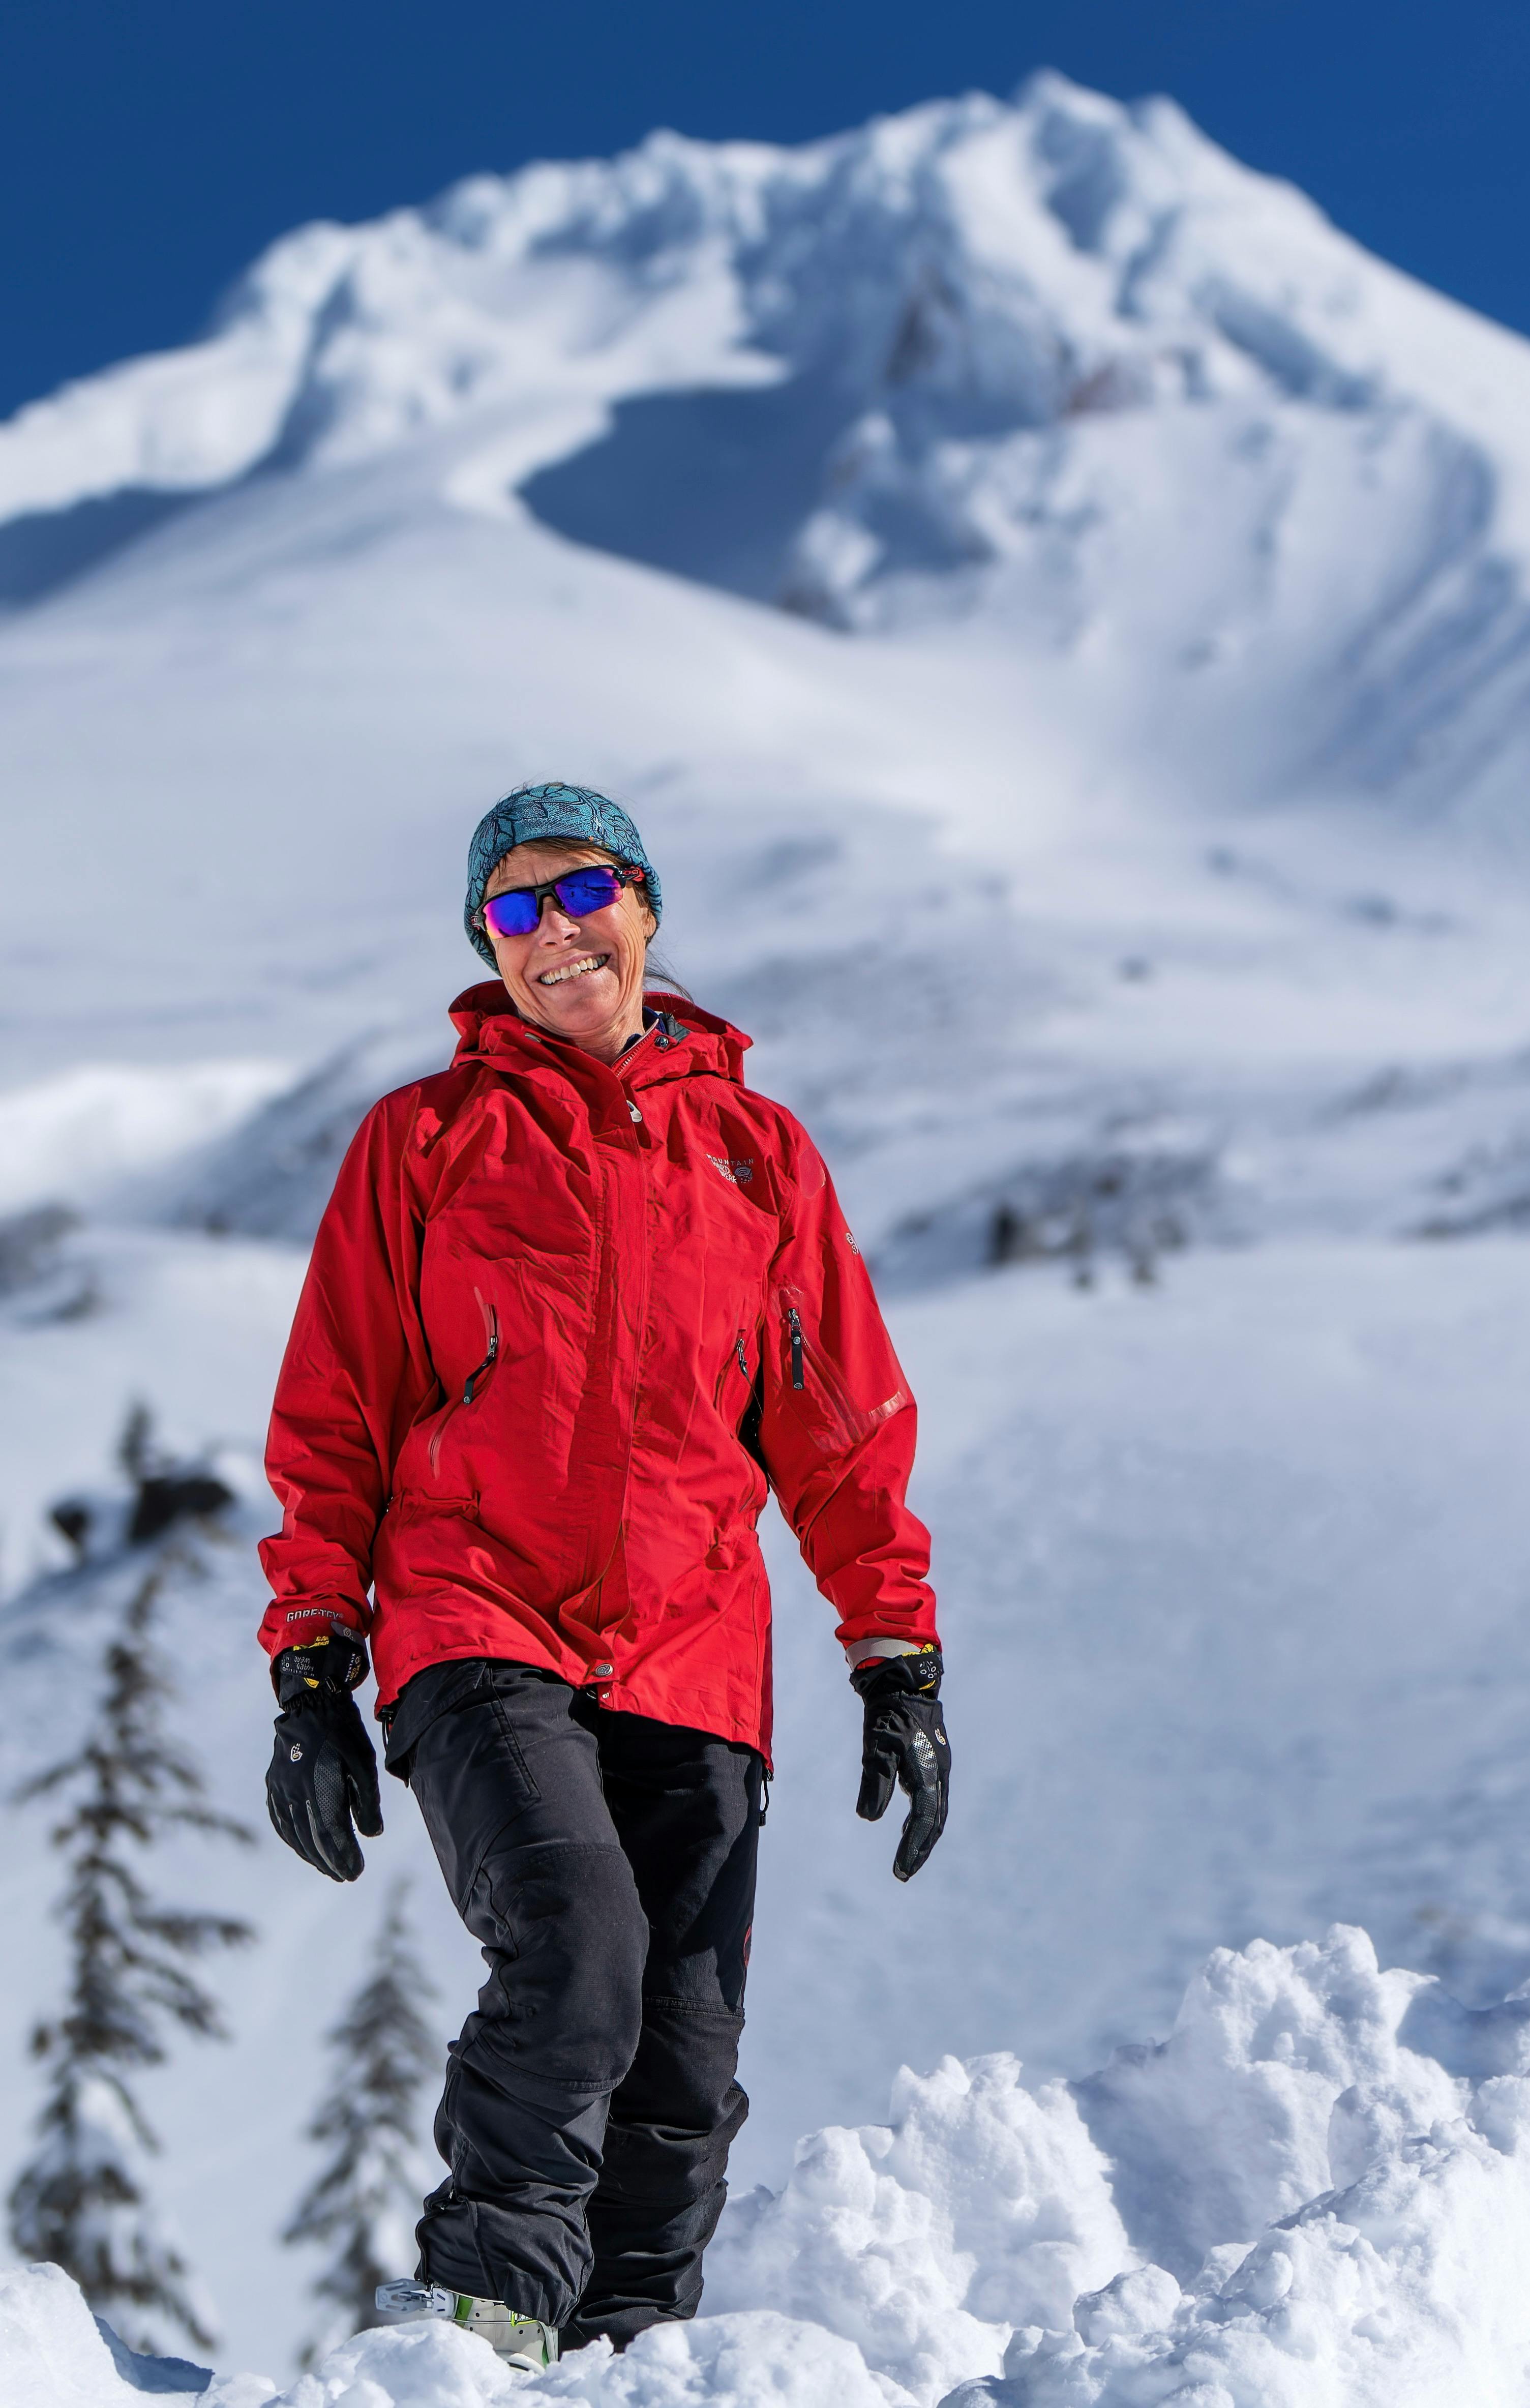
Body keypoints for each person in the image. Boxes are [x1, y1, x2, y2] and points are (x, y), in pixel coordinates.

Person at [258, 782, 949, 2368]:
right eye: (511, 910)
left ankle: (629, 2363)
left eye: (580, 892)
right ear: (485, 952)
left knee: (684, 2053)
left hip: (692, 1647)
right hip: (476, 1612)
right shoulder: (425, 1140)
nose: (552, 932)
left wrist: (895, 1659)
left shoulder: (757, 1156)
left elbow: (839, 1430)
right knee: (574, 1948)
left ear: (644, 908)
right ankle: (478, 2325)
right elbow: (337, 1408)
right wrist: (311, 1663)